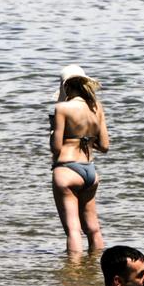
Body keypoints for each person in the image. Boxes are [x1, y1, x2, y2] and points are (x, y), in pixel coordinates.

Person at [52, 67, 110, 253]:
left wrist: (53, 130)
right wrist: (85, 138)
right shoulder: (96, 107)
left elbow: (56, 147)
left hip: (67, 169)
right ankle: (96, 266)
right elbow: (104, 146)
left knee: (73, 230)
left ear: (66, 86)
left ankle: (74, 272)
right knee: (93, 229)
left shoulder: (62, 108)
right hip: (90, 171)